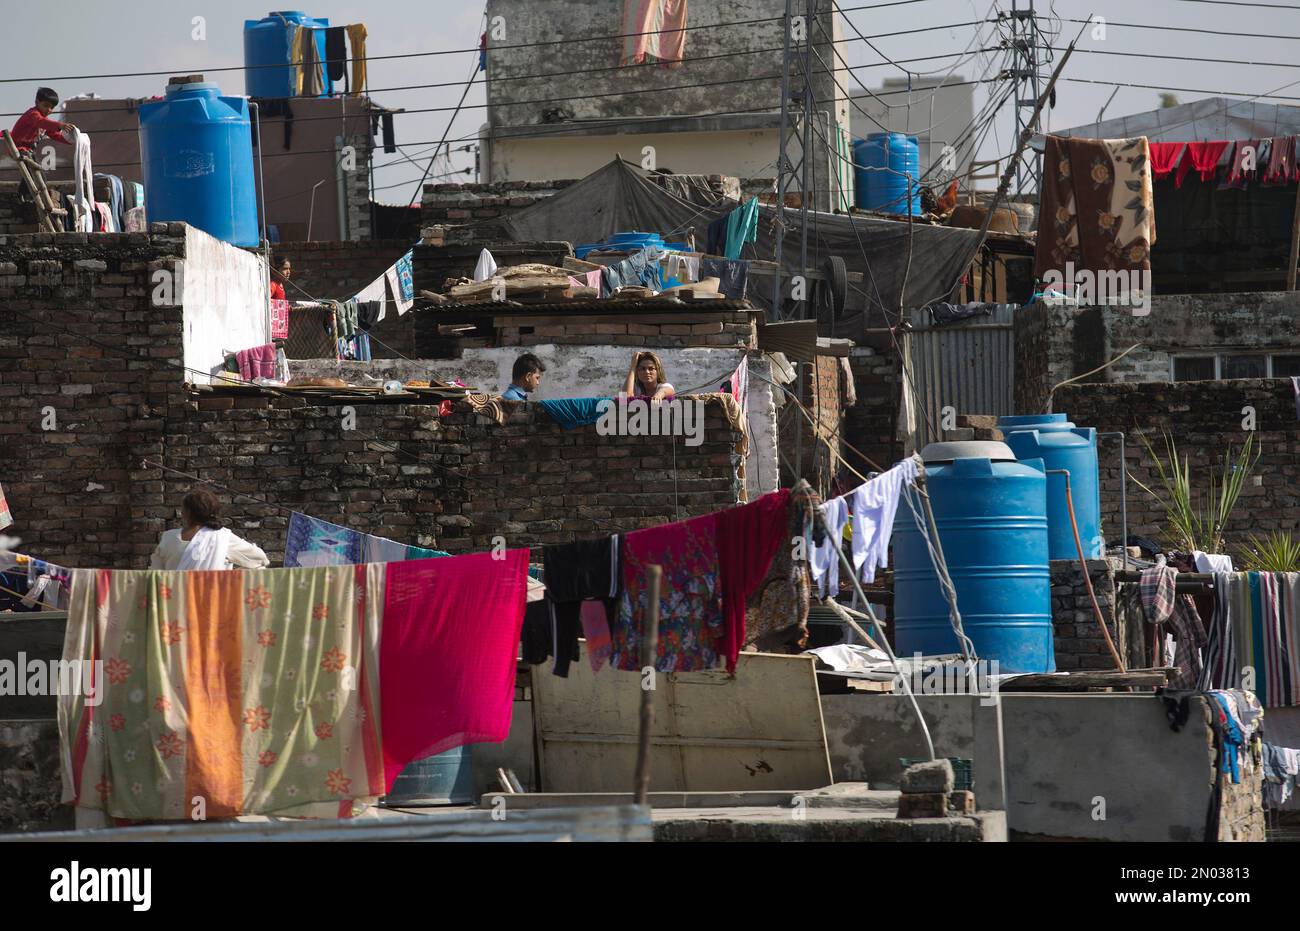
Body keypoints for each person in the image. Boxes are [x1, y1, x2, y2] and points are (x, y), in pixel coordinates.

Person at [149, 488, 270, 571]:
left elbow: (155, 574)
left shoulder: (168, 537)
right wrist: (229, 577)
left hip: (175, 603)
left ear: (187, 513)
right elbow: (260, 559)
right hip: (212, 603)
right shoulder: (222, 539)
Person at [9, 87, 74, 154]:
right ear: (37, 102)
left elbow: (54, 134)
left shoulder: (44, 121)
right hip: (17, 147)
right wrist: (59, 125)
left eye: (52, 108)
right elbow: (41, 122)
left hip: (27, 149)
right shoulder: (33, 114)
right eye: (46, 105)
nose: (49, 110)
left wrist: (70, 141)